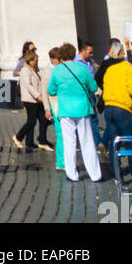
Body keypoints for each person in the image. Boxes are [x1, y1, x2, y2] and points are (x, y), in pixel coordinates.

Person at [46, 43, 101, 183]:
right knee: (87, 142)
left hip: (65, 110)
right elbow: (93, 87)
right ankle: (95, 174)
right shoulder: (82, 68)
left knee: (69, 142)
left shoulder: (57, 71)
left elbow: (51, 90)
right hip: (82, 109)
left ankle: (72, 174)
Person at [98, 42, 132, 183]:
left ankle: (117, 174)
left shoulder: (110, 70)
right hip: (123, 108)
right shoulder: (129, 69)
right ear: (122, 53)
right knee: (129, 141)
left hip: (109, 107)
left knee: (114, 142)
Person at [12, 47, 53, 153]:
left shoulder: (35, 70)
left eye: (36, 60)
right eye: (35, 60)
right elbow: (28, 85)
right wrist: (38, 95)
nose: (36, 62)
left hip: (38, 99)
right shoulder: (25, 70)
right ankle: (18, 137)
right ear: (29, 60)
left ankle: (42, 141)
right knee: (31, 121)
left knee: (44, 120)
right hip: (30, 99)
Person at [42, 47, 65, 171]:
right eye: (58, 59)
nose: (60, 61)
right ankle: (61, 162)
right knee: (60, 133)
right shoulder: (47, 71)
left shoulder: (62, 67)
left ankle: (64, 160)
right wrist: (47, 108)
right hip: (54, 104)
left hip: (64, 103)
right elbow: (44, 91)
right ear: (52, 59)